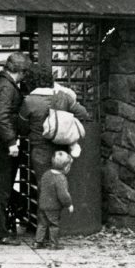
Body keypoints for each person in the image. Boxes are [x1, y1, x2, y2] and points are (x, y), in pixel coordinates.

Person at [18, 63, 89, 199]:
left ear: (31, 81)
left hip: (40, 151)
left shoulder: (29, 102)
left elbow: (22, 127)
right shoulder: (63, 97)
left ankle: (46, 219)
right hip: (61, 150)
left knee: (45, 190)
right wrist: (66, 125)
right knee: (61, 188)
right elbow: (84, 114)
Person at [0, 51, 30, 244]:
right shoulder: (7, 88)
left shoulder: (0, 84)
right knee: (1, 188)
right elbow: (2, 117)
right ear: (21, 71)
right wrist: (11, 142)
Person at [36, 149, 74, 249]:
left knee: (42, 224)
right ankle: (54, 244)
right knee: (54, 225)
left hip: (43, 204)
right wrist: (69, 204)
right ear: (66, 167)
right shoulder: (61, 178)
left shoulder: (46, 174)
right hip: (53, 207)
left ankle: (38, 242)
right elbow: (63, 195)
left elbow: (40, 187)